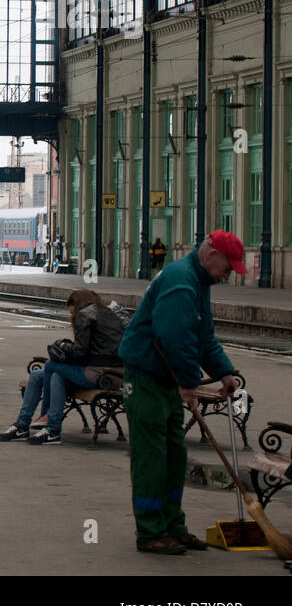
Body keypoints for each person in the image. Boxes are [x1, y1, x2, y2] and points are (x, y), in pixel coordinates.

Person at [117, 229, 240, 556]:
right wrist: (188, 382)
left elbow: (202, 336)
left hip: (165, 379)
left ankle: (174, 525)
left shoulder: (198, 282)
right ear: (211, 254)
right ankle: (151, 531)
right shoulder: (181, 281)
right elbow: (174, 337)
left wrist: (224, 372)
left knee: (174, 455)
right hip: (146, 379)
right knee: (151, 458)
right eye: (229, 265)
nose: (229, 273)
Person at [0, 289, 125, 444]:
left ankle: (50, 422)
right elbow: (93, 349)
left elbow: (80, 353)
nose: (71, 313)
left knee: (52, 365)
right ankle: (23, 424)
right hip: (108, 371)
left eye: (71, 309)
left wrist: (64, 347)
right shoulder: (107, 313)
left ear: (76, 305)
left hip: (98, 374)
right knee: (39, 376)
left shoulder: (84, 314)